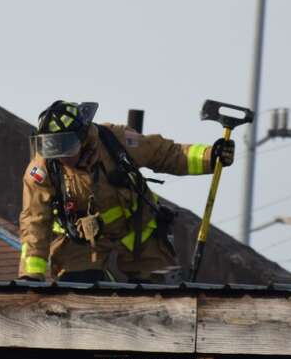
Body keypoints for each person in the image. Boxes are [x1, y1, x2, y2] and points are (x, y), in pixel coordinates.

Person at [18, 101, 234, 282]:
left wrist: (211, 156)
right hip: (80, 241)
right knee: (78, 291)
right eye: (49, 147)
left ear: (83, 138)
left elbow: (165, 154)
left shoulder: (115, 140)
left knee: (158, 298)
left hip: (136, 229)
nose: (59, 156)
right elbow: (35, 222)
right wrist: (31, 276)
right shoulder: (42, 171)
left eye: (65, 146)